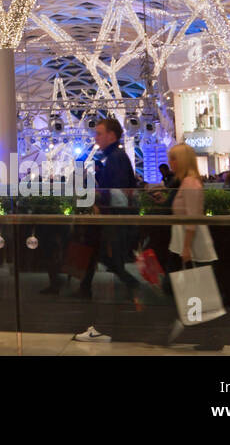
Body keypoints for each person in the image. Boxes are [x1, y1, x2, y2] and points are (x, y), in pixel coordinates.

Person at [74, 117, 141, 343]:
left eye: (100, 133)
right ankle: (103, 318)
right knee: (104, 259)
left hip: (114, 223)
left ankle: (108, 320)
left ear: (112, 135)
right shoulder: (113, 157)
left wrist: (100, 204)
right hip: (113, 223)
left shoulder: (116, 158)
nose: (96, 137)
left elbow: (117, 192)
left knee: (109, 260)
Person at [164, 142, 223, 351]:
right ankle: (201, 332)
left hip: (191, 246)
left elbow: (193, 219)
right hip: (184, 244)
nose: (169, 162)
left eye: (173, 158)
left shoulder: (190, 183)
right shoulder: (186, 182)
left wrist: (187, 248)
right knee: (195, 290)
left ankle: (207, 334)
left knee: (197, 291)